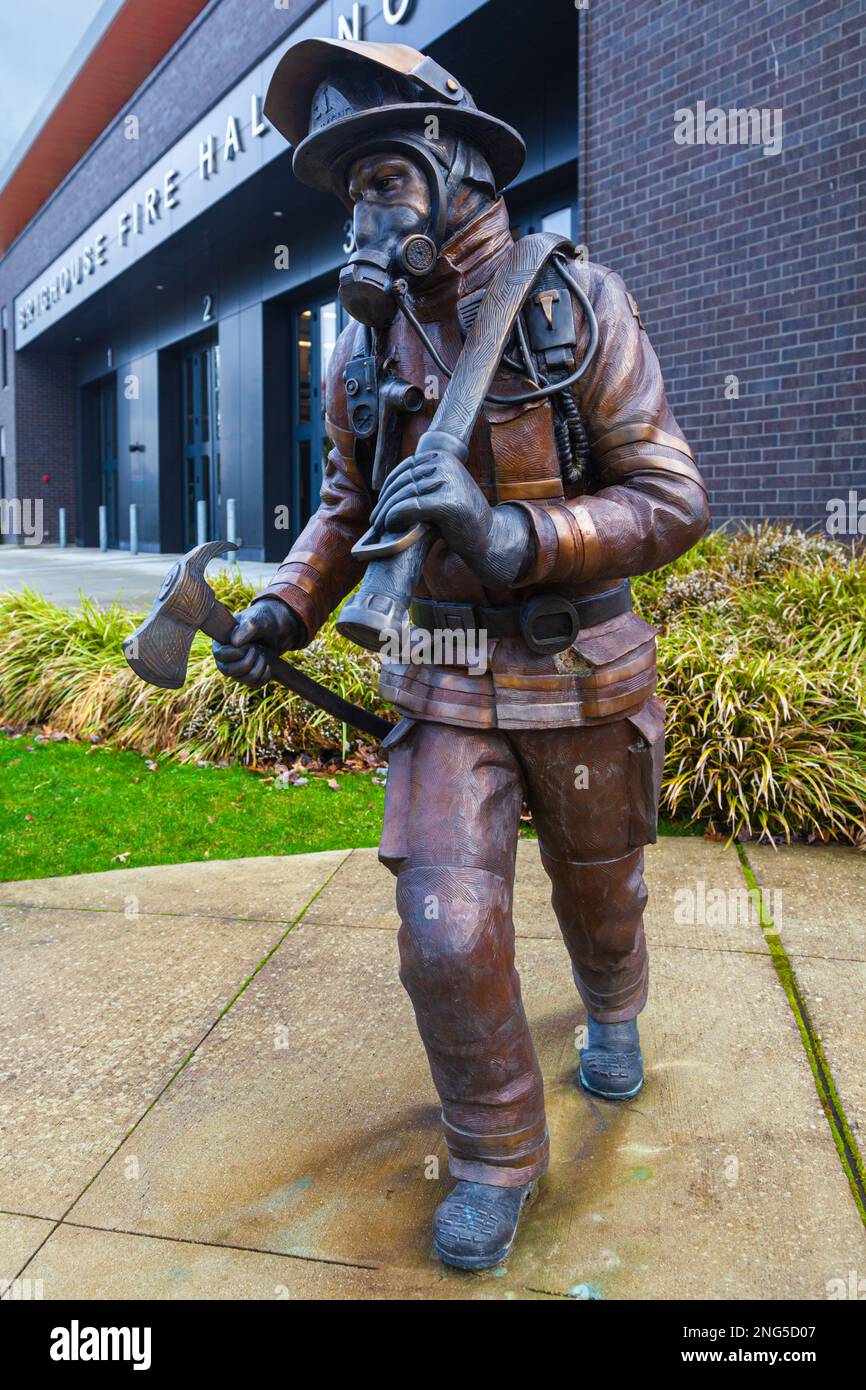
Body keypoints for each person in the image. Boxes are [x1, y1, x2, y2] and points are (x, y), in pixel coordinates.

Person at [213, 37, 710, 1271]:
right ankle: (493, 1151)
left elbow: (671, 497)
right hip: (438, 674)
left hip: (581, 662)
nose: (365, 217)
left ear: (455, 172)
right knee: (443, 927)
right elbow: (343, 503)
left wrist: (509, 532)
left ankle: (611, 1006)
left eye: (385, 181)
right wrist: (287, 605)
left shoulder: (574, 302)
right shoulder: (360, 352)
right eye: (352, 194)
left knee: (603, 899)